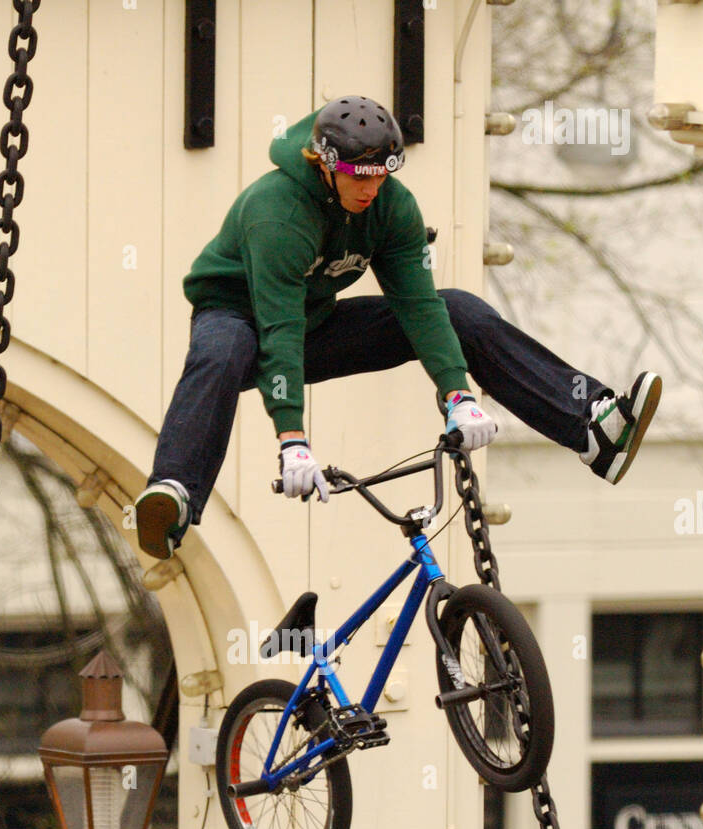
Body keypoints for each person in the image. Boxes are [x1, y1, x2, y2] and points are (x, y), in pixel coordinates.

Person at [132, 95, 662, 561]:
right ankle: (176, 492)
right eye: (359, 178)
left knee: (459, 309)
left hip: (318, 324)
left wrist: (457, 392)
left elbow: (419, 306)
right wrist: (292, 439)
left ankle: (591, 427)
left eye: (382, 175)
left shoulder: (393, 208)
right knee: (223, 350)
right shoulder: (277, 213)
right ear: (324, 164)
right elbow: (279, 329)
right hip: (242, 318)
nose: (371, 189)